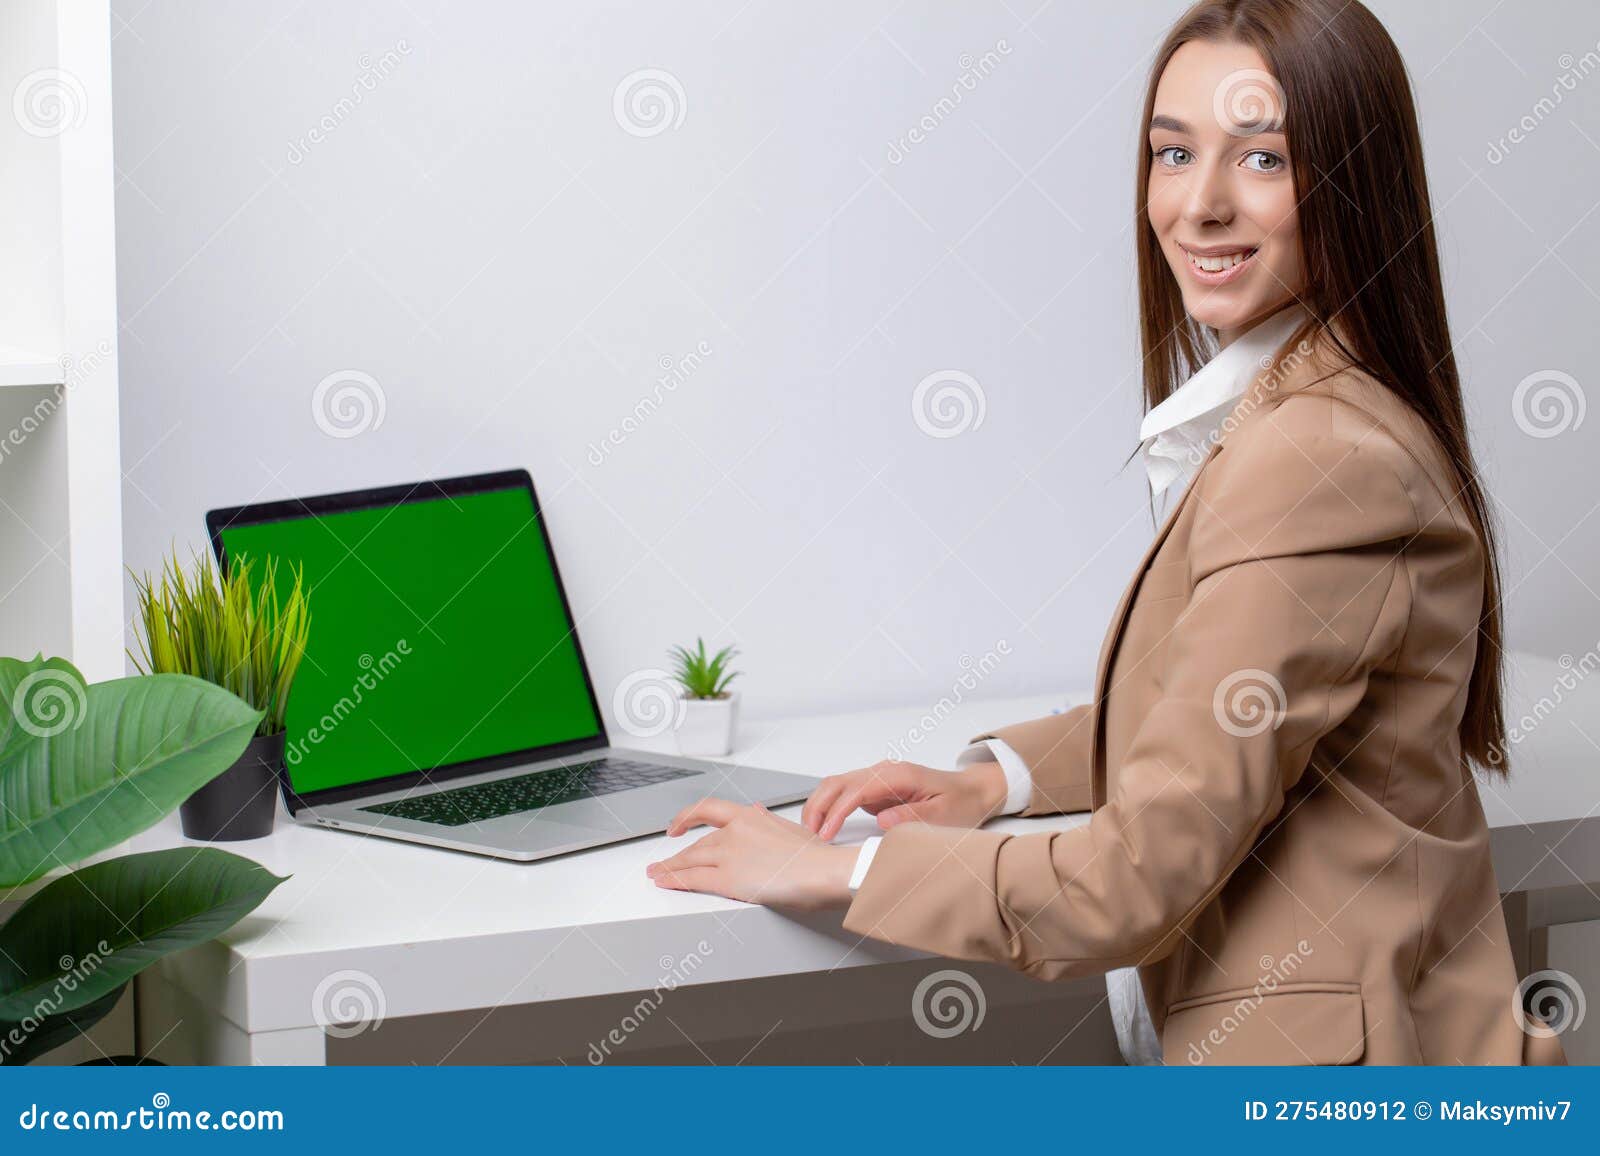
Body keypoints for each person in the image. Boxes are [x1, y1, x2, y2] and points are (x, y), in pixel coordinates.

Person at [645, 0, 1566, 1066]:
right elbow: (1223, 703)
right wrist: (997, 781)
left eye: (1262, 157)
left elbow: (1136, 878)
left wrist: (840, 873)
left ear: (1351, 182)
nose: (1198, 205)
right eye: (1171, 153)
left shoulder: (1319, 458)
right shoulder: (1315, 408)